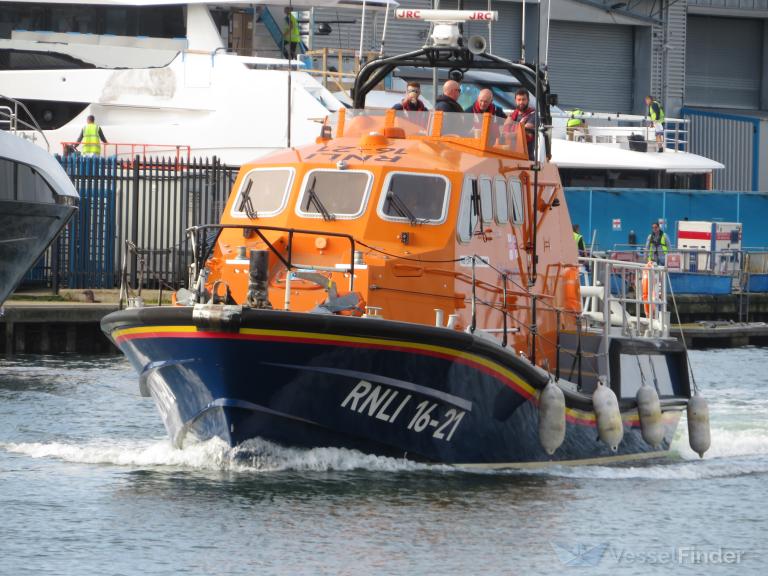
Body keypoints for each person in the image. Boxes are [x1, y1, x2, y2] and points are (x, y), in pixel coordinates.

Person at [504, 89, 536, 159]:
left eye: (523, 99)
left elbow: (524, 131)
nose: (521, 102)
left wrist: (511, 130)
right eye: (519, 100)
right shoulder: (513, 114)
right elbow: (505, 129)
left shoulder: (533, 115)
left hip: (527, 157)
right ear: (515, 101)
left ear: (528, 100)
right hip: (512, 154)